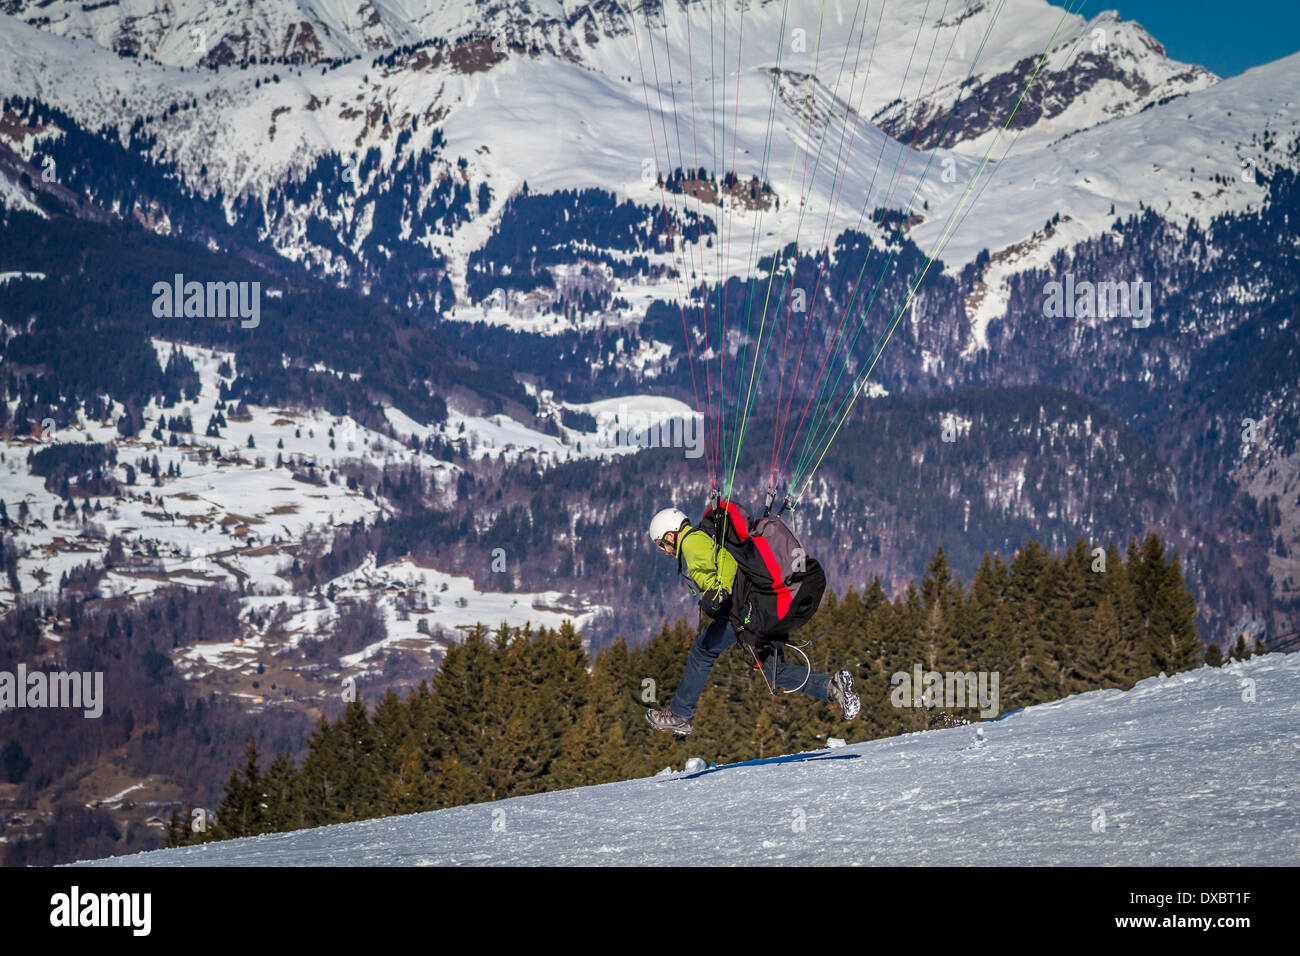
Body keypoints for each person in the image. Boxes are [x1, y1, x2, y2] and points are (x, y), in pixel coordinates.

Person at [644, 506, 860, 735]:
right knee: (774, 670)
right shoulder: (699, 539)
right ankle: (833, 686)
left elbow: (727, 562)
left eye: (662, 544)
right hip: (762, 607)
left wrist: (719, 593)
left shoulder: (691, 543)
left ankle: (680, 714)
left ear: (670, 535)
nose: (666, 551)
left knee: (703, 650)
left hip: (746, 608)